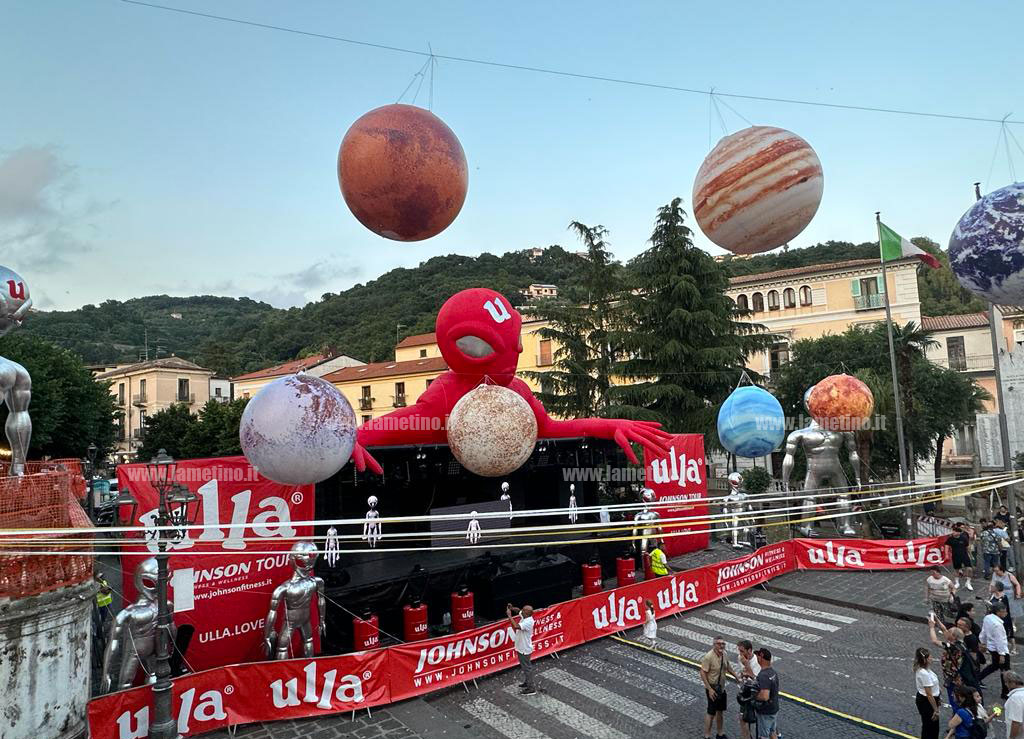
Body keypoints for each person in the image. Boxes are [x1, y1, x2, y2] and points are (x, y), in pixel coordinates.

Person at [930, 617, 981, 702]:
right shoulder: (961, 644)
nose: (947, 633)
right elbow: (944, 630)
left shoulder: (952, 647)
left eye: (949, 633)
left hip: (953, 677)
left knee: (954, 699)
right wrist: (936, 620)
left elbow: (934, 641)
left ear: (953, 636)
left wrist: (931, 627)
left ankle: (958, 713)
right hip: (959, 677)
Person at [701, 636, 737, 739]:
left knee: (720, 711)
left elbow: (728, 666)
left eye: (723, 644)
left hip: (721, 687)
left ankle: (720, 734)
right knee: (711, 712)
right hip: (712, 688)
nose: (721, 645)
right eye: (719, 644)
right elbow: (703, 673)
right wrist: (709, 689)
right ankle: (707, 736)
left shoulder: (724, 654)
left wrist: (736, 676)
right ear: (714, 645)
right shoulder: (709, 657)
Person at [978, 601, 1011, 699]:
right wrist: (1002, 654)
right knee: (1005, 671)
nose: (1006, 613)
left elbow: (983, 631)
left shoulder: (987, 618)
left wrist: (982, 642)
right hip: (1000, 650)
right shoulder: (998, 625)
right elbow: (1000, 640)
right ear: (998, 612)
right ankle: (1005, 692)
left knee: (994, 666)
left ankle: (977, 678)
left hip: (992, 648)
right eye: (1004, 611)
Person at [507, 603, 536, 695]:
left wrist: (509, 616)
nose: (521, 611)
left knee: (527, 668)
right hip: (521, 647)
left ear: (527, 613)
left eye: (523, 610)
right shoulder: (525, 616)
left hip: (524, 649)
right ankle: (527, 682)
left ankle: (531, 688)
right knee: (525, 667)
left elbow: (516, 626)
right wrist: (512, 608)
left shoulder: (528, 622)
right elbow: (518, 610)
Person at [915, 648, 942, 739]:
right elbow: (929, 694)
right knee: (929, 727)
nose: (932, 658)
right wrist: (936, 710)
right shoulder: (924, 673)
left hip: (931, 700)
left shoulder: (926, 670)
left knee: (932, 727)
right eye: (930, 657)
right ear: (925, 659)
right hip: (927, 702)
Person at [736, 639, 761, 739]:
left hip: (755, 694)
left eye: (742, 651)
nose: (740, 654)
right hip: (745, 693)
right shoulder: (740, 657)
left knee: (759, 719)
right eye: (739, 651)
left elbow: (756, 680)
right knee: (743, 718)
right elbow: (742, 672)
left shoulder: (757, 661)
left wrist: (746, 664)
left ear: (749, 650)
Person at [754, 647, 780, 739]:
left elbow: (765, 696)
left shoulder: (763, 675)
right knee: (773, 732)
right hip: (774, 708)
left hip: (765, 712)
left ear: (761, 657)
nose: (756, 658)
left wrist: (754, 696)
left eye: (757, 656)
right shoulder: (773, 672)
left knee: (763, 736)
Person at [947, 523, 975, 591]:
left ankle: (968, 582)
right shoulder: (950, 538)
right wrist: (947, 555)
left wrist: (970, 555)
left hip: (964, 555)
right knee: (956, 570)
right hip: (955, 556)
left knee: (969, 569)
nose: (954, 532)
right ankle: (957, 582)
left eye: (955, 531)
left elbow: (967, 547)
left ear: (959, 532)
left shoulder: (964, 537)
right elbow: (947, 546)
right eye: (953, 531)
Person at [1004, 670, 1024, 739]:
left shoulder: (1015, 698)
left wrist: (1011, 738)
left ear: (1012, 683)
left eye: (1006, 682)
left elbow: (1016, 723)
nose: (1005, 685)